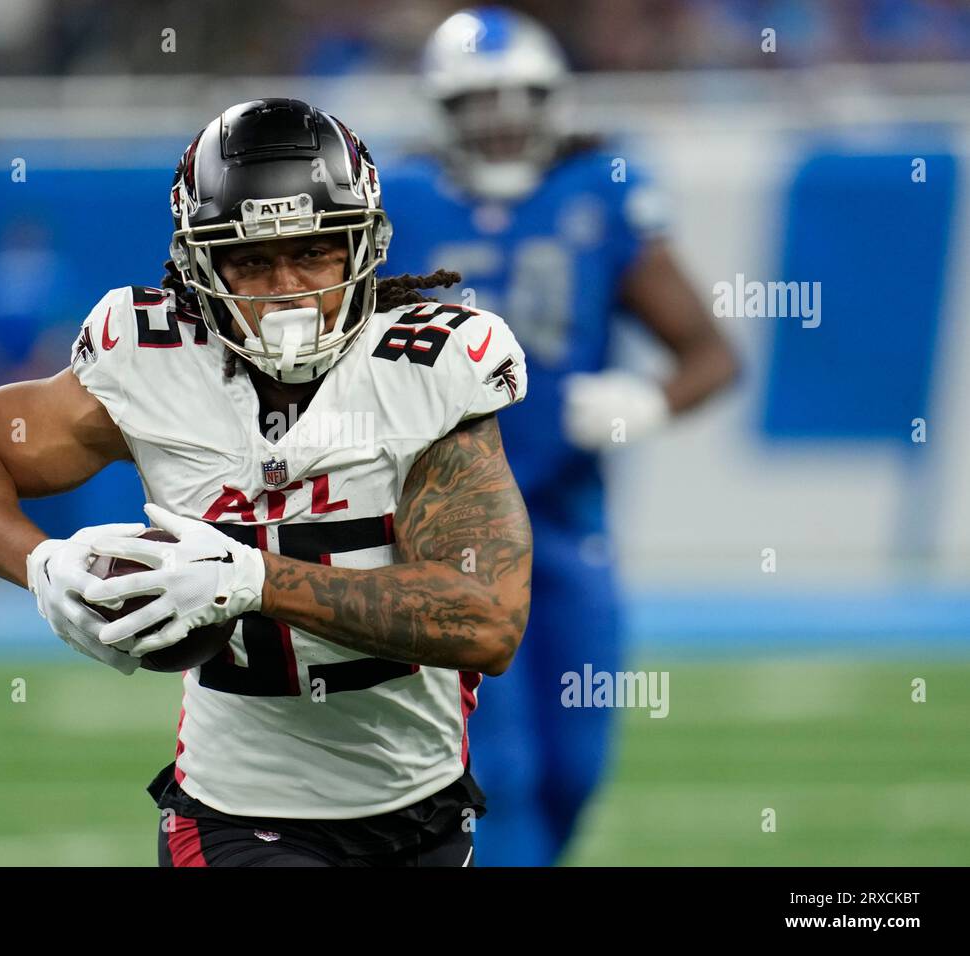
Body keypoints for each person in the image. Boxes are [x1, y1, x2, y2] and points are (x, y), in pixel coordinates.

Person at [0, 98, 534, 867]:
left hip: (423, 811)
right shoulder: (155, 358)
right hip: (238, 816)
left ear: (364, 247)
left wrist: (255, 580)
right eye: (252, 261)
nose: (287, 287)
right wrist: (42, 564)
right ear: (201, 267)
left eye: (315, 252)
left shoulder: (427, 369)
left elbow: (486, 620)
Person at [385, 9, 740, 865]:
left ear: (553, 100)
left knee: (575, 765)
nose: (502, 118)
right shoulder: (399, 199)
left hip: (566, 521)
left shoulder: (600, 189)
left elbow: (710, 355)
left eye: (518, 98)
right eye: (478, 101)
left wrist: (646, 402)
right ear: (442, 109)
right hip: (441, 530)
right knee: (494, 767)